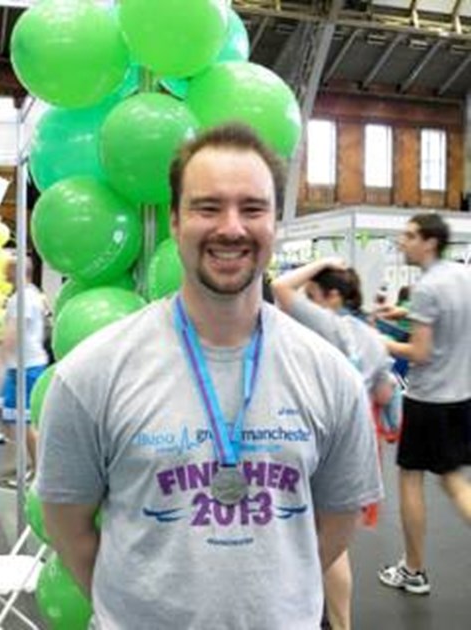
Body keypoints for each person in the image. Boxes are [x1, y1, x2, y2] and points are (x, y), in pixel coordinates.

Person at [37, 123, 383, 630]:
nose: (231, 227)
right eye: (208, 207)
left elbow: (337, 519)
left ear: (275, 224)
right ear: (176, 221)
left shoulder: (330, 375)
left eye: (252, 208)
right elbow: (68, 527)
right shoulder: (92, 373)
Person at [272, 258, 393, 630]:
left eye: (313, 295)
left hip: (322, 437)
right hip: (360, 442)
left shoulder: (326, 323)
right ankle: (340, 621)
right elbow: (385, 395)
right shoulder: (371, 335)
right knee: (338, 536)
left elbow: (279, 287)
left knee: (318, 535)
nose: (307, 303)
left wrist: (321, 261)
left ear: (333, 296)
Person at [378, 212, 471, 595]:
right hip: (461, 397)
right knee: (453, 481)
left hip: (428, 400)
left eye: (411, 235)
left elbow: (419, 353)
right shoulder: (462, 275)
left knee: (411, 478)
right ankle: (412, 567)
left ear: (430, 242)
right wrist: (406, 313)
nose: (403, 241)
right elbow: (449, 316)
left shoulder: (429, 287)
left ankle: (413, 570)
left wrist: (380, 342)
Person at [0, 254, 49, 475]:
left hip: (25, 368)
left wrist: (1, 359)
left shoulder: (22, 299)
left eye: (8, 271)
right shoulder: (34, 295)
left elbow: (13, 333)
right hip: (23, 366)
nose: (5, 276)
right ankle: (28, 466)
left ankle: (38, 471)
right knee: (13, 419)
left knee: (24, 422)